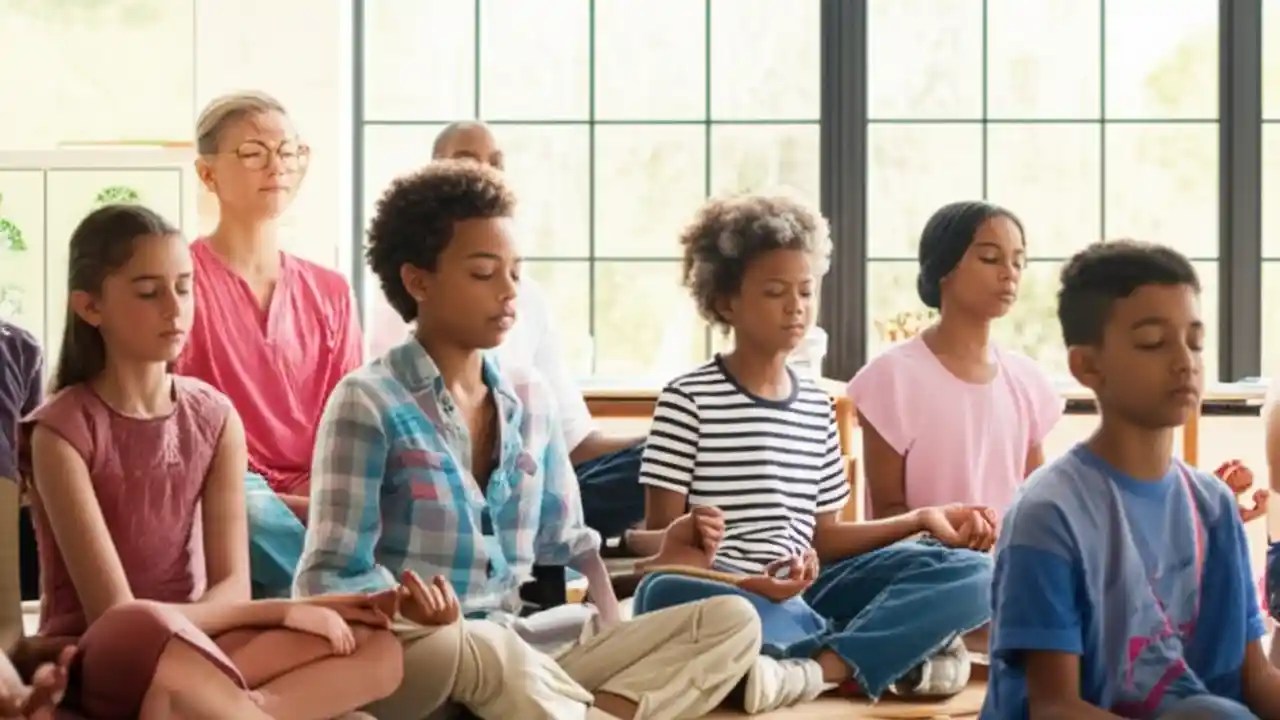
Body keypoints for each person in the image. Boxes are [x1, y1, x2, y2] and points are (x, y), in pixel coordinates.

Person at [295, 161, 788, 720]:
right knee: (481, 645)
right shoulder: (367, 402)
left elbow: (573, 552)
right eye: (484, 273)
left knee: (729, 620)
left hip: (520, 650)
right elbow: (324, 576)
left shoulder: (531, 399)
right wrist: (400, 603)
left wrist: (662, 557)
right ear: (418, 281)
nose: (510, 292)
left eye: (515, 271)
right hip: (412, 653)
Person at [23, 204, 402, 719]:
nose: (174, 308)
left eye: (184, 286)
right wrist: (291, 611)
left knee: (377, 646)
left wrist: (267, 620)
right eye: (148, 291)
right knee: (145, 627)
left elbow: (232, 585)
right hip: (110, 652)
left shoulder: (214, 415)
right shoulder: (61, 431)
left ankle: (234, 708)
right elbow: (116, 615)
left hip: (206, 641)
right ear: (90, 307)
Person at [632, 193, 996, 709]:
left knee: (973, 572)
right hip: (725, 594)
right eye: (775, 291)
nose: (796, 306)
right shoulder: (687, 399)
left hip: (805, 595)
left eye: (806, 291)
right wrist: (730, 571)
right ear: (725, 301)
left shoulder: (818, 407)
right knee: (661, 595)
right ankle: (876, 652)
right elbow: (653, 549)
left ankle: (818, 667)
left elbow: (825, 538)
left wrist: (920, 520)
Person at [982, 240, 1280, 719]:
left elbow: (1256, 677)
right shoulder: (1049, 512)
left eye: (1195, 342)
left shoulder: (1213, 505)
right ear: (1087, 365)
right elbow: (1054, 708)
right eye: (1152, 343)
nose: (1185, 361)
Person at [370, 120, 646, 541]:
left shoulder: (528, 323)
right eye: (482, 273)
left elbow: (574, 443)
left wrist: (668, 439)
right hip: (445, 499)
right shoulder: (403, 322)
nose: (507, 290)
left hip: (535, 489)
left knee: (668, 458)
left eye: (496, 161)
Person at [176, 91, 364, 598]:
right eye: (254, 152)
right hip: (227, 492)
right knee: (245, 502)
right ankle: (347, 599)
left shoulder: (330, 291)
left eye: (289, 151)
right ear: (208, 174)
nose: (276, 166)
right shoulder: (179, 283)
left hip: (321, 492)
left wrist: (327, 503)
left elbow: (350, 421)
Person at [848, 201, 1063, 519]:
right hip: (923, 565)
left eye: (1018, 262)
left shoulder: (1026, 380)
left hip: (1011, 565)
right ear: (944, 267)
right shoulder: (891, 379)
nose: (1009, 274)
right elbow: (885, 512)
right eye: (990, 258)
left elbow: (1036, 503)